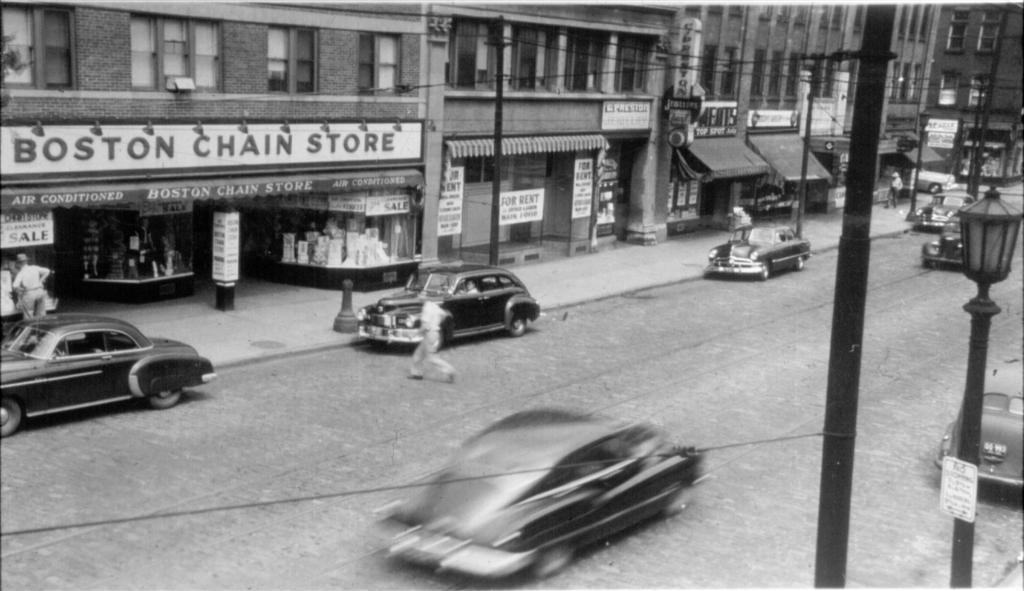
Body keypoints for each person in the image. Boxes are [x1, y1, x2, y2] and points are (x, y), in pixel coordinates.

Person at [409, 299, 456, 382]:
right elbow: (444, 314)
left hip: (429, 334)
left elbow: (425, 326)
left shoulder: (426, 308)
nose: (419, 298)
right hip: (434, 333)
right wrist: (436, 323)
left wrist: (414, 334)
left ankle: (450, 370)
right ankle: (416, 373)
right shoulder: (434, 306)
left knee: (431, 358)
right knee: (418, 354)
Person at [12, 253, 51, 318]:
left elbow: (15, 285)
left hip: (29, 293)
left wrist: (21, 291)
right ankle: (41, 327)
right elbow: (47, 271)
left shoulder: (22, 272)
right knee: (41, 313)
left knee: (28, 314)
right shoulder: (34, 267)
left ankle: (30, 327)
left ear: (19, 264)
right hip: (39, 291)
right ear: (26, 261)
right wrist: (40, 281)